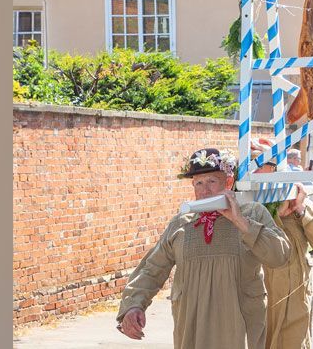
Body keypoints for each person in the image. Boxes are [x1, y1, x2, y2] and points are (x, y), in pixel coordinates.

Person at [116, 148, 291, 348]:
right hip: (191, 330)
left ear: (228, 183)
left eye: (211, 182)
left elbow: (280, 256)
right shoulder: (182, 223)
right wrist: (133, 305)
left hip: (238, 331)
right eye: (198, 183)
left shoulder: (252, 213)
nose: (204, 190)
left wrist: (240, 221)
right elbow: (152, 268)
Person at [263, 180, 313, 349]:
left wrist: (301, 211)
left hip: (297, 298)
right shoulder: (250, 206)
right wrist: (275, 217)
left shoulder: (302, 204)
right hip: (264, 295)